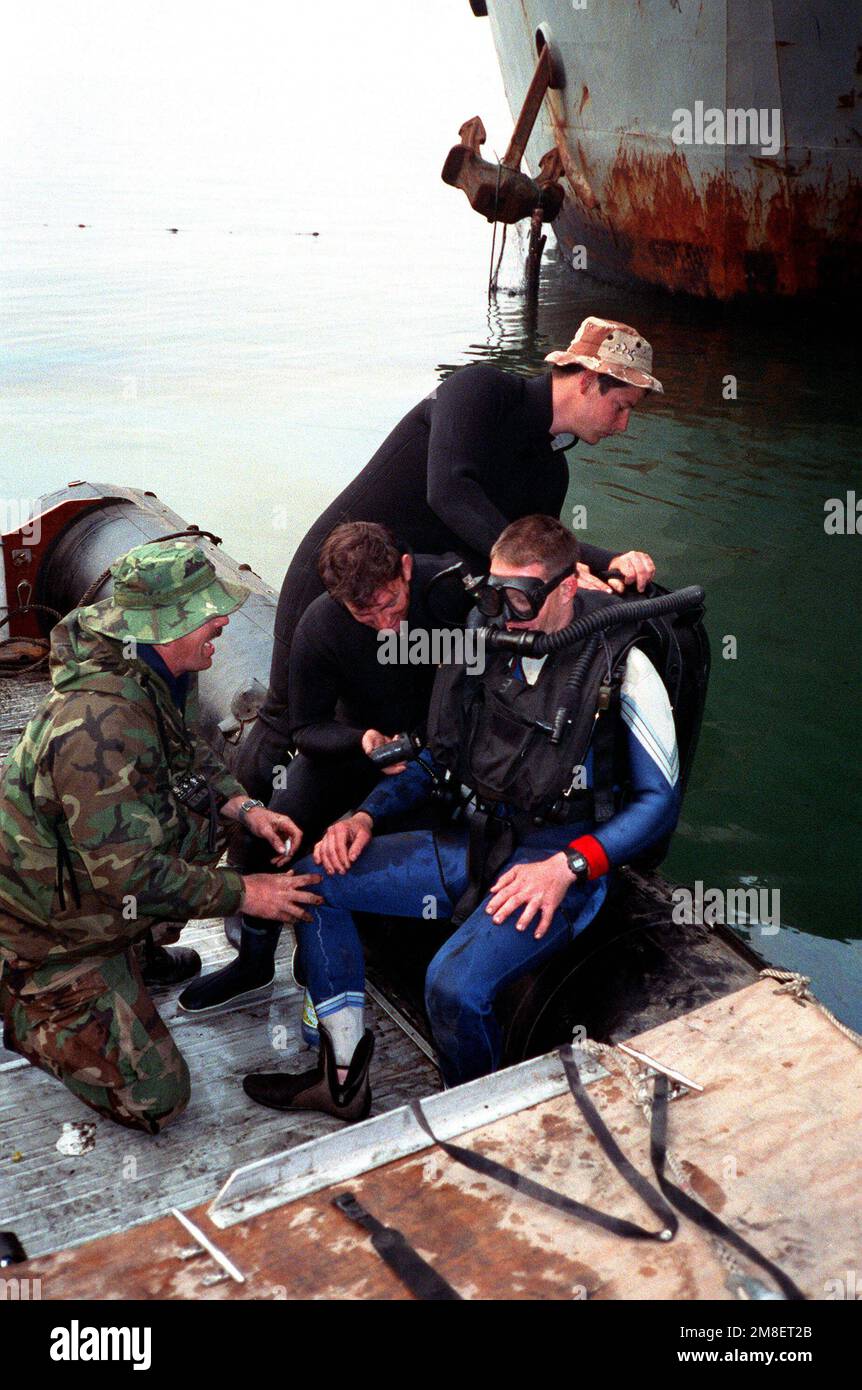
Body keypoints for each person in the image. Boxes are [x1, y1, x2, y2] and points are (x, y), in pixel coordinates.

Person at [243, 515, 682, 1121]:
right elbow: (438, 757)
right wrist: (366, 818)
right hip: (476, 839)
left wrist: (569, 866)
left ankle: (478, 1121)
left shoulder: (621, 667)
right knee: (317, 879)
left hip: (557, 859)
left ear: (564, 588)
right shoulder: (484, 642)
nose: (507, 611)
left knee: (451, 986)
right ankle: (341, 1074)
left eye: (521, 597)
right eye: (494, 594)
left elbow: (659, 806)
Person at [237, 316, 664, 803]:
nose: (624, 425)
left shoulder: (550, 471)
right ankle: (247, 827)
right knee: (283, 715)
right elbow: (450, 492)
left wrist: (611, 562)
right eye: (621, 406)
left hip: (417, 600)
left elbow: (533, 549)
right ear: (586, 381)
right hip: (337, 580)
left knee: (406, 722)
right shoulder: (480, 390)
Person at [0, 541, 320, 1134]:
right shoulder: (100, 726)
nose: (223, 621)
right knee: (158, 1098)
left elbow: (186, 751)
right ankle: (27, 1006)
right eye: (208, 612)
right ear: (167, 625)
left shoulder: (157, 669)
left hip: (92, 874)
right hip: (48, 925)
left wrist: (245, 806)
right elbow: (126, 875)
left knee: (206, 817)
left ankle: (132, 949)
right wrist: (246, 893)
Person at [179, 521, 471, 1015]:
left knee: (396, 852)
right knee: (271, 831)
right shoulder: (321, 624)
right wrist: (363, 741)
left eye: (391, 603)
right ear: (340, 602)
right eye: (364, 613)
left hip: (439, 753)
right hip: (357, 747)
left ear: (405, 569)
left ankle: (344, 944)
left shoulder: (449, 589)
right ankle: (255, 960)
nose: (385, 625)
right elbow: (305, 729)